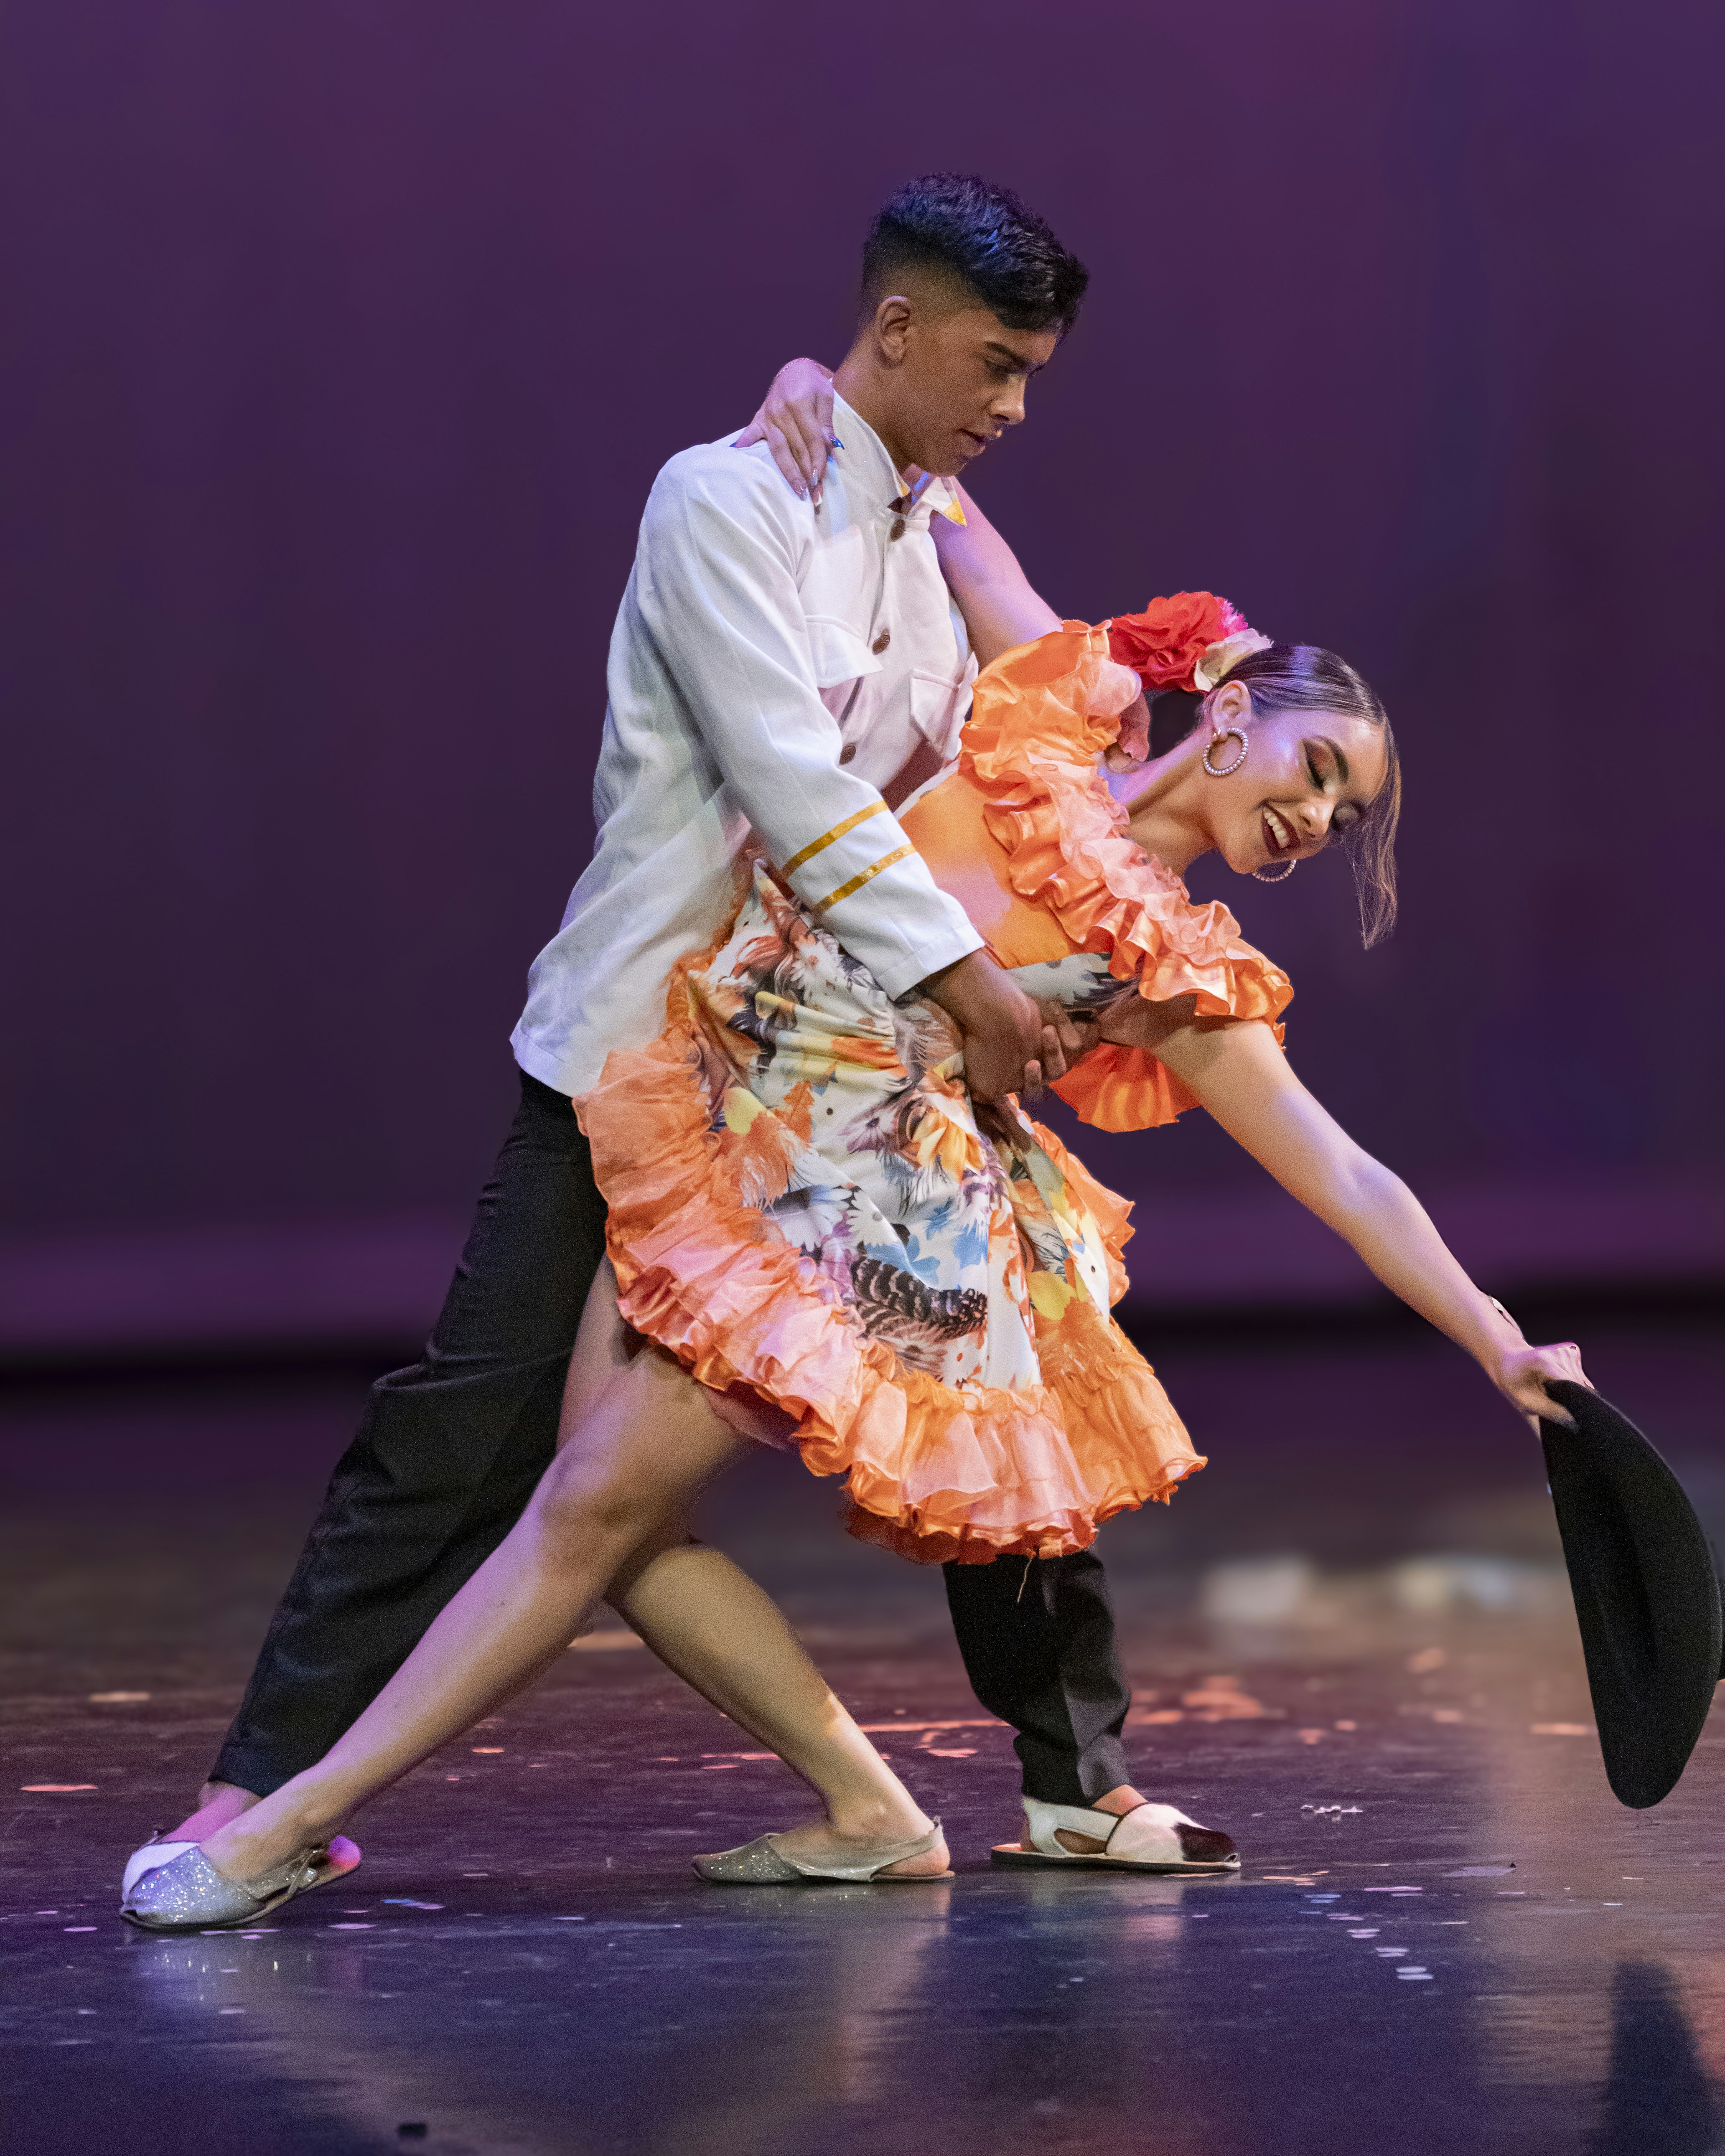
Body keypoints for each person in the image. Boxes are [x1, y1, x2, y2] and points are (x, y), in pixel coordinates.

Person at [124, 539, 1590, 1922]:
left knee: (582, 1515)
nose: (1320, 819)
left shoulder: (1181, 974)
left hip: (862, 1212)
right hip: (727, 1104)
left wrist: (1497, 1338)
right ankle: (867, 1810)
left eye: (1344, 814)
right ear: (1227, 711)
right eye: (1318, 769)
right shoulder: (1053, 713)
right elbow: (956, 519)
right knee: (613, 1524)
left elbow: (1348, 1175)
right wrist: (819, 386)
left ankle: (278, 1826)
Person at [124, 171, 1202, 1925]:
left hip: (809, 1091)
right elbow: (799, 779)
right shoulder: (723, 499)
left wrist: (1165, 809)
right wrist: (968, 987)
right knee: (475, 1438)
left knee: (1006, 1391)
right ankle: (256, 1794)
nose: (1015, 406)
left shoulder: (929, 538)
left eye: (1035, 376)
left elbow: (1070, 702)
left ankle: (1060, 1784)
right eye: (995, 364)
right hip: (642, 1050)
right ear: (900, 329)